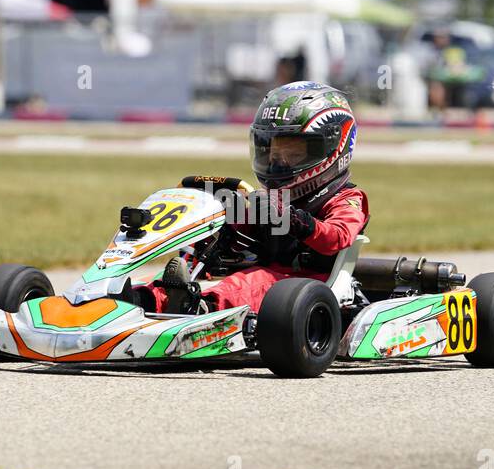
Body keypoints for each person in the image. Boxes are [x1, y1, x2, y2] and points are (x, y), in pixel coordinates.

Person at [135, 81, 368, 314]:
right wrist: (222, 217)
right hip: (262, 275)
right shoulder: (271, 198)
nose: (279, 162)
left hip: (304, 285)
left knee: (247, 284)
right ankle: (141, 299)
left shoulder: (345, 198)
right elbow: (244, 229)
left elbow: (337, 237)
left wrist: (292, 219)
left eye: (293, 152)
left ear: (333, 146)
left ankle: (199, 307)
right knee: (178, 276)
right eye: (274, 152)